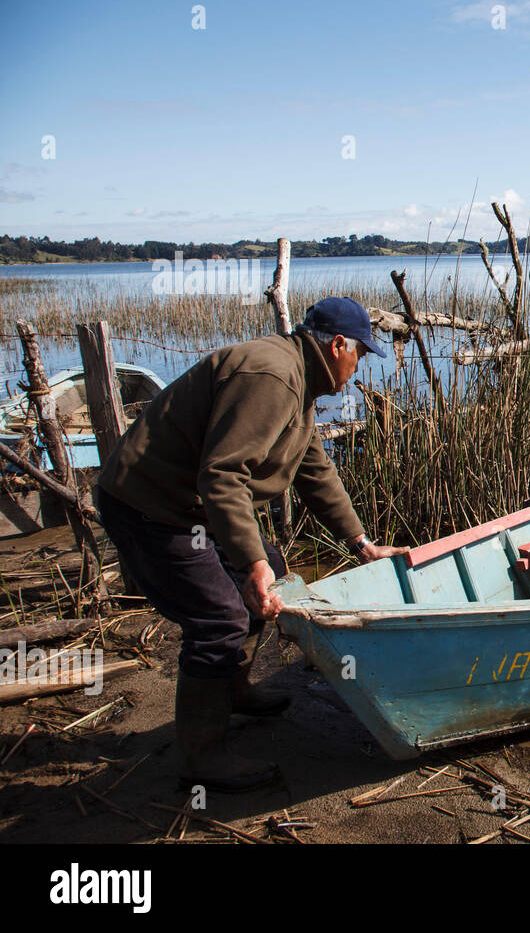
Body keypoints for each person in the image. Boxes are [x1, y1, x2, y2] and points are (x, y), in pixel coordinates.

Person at [95, 297, 404, 792]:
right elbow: (222, 474)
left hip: (190, 505)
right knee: (220, 616)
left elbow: (313, 470)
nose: (359, 364)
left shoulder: (300, 382)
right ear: (338, 344)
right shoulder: (273, 378)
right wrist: (250, 561)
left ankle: (231, 690)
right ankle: (201, 756)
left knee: (271, 572)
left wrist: (361, 542)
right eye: (360, 354)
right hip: (151, 504)